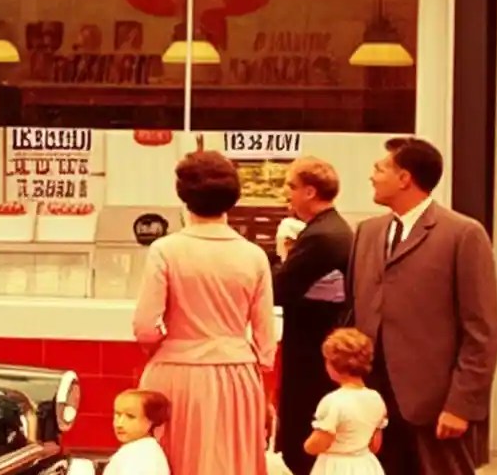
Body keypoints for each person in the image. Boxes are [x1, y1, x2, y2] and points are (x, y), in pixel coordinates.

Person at [347, 137, 497, 475]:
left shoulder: (462, 234)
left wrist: (462, 404)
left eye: (380, 168)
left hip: (434, 406)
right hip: (372, 401)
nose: (371, 176)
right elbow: (354, 313)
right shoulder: (367, 233)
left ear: (405, 178)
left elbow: (482, 331)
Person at [133, 149, 276, 475]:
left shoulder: (165, 250)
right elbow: (266, 339)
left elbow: (145, 326)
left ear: (184, 196)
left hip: (176, 371)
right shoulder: (253, 256)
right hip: (236, 374)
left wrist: (163, 346)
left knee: (173, 461)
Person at [275, 157, 356, 475]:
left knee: (303, 431)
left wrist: (281, 257)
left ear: (310, 191)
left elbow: (279, 287)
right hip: (319, 350)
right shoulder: (331, 229)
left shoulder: (321, 236)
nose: (287, 194)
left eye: (291, 187)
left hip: (312, 354)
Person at [304, 327, 388, 475]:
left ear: (333, 366)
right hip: (365, 465)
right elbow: (375, 445)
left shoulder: (333, 401)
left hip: (336, 467)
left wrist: (308, 446)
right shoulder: (376, 398)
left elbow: (320, 442)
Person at [104, 389, 172, 475]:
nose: (119, 423)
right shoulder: (135, 449)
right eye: (117, 414)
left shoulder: (145, 457)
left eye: (130, 416)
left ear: (150, 420)